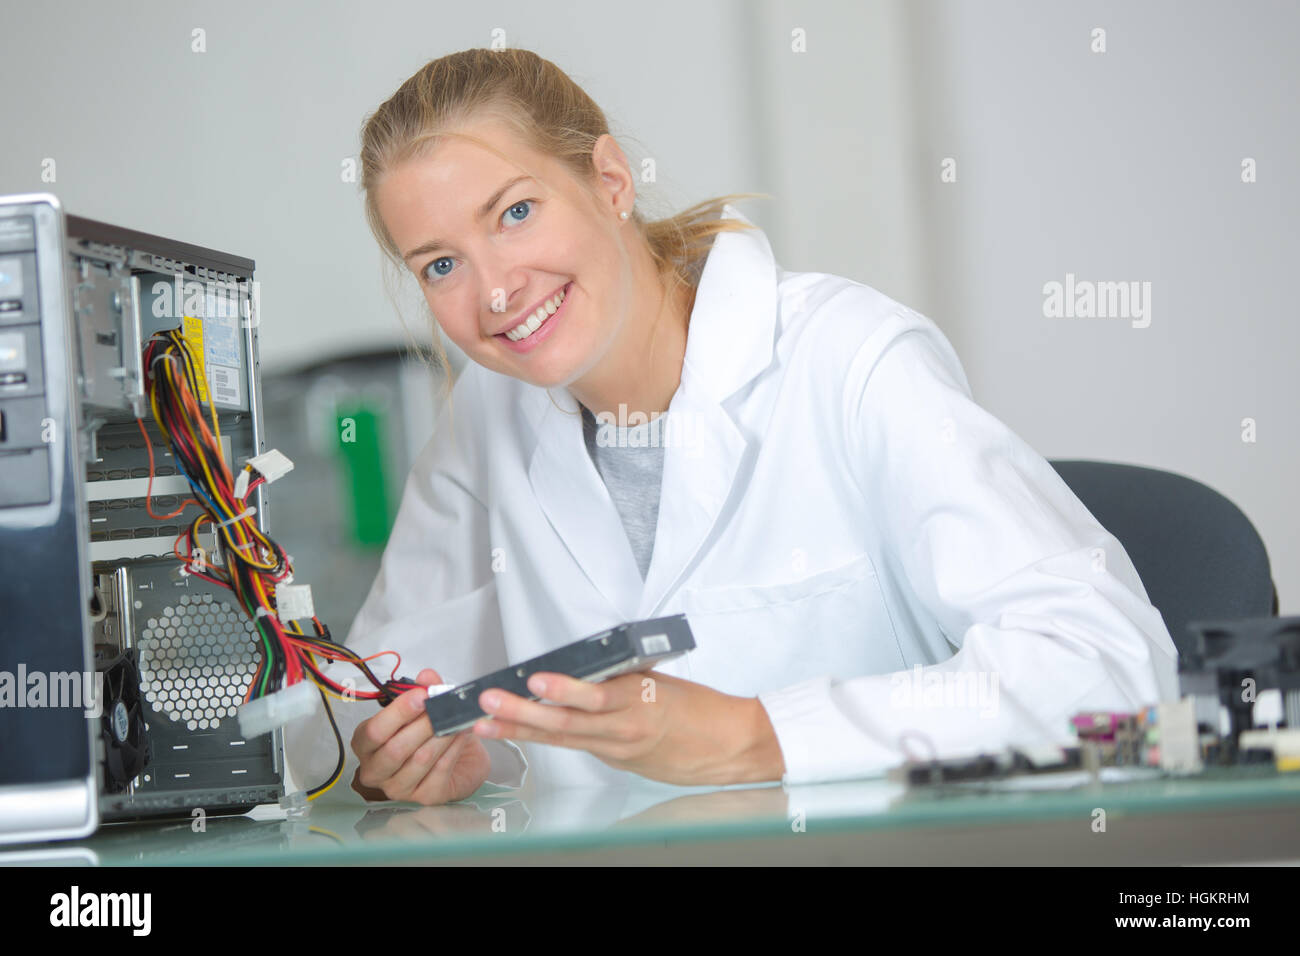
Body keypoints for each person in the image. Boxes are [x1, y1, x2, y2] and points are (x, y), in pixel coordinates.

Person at [284, 48, 1178, 806]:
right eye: (441, 264)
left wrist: (760, 736)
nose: (494, 292)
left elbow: (1110, 665)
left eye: (515, 213)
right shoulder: (488, 414)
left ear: (608, 180)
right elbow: (372, 696)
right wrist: (450, 761)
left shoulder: (847, 359)